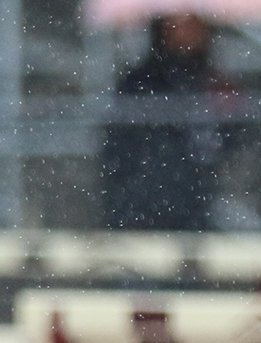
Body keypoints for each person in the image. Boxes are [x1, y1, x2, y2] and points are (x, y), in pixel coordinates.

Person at [98, 12, 231, 233]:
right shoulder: (142, 82)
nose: (189, 34)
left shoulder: (208, 81)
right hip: (145, 200)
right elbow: (124, 144)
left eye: (195, 26)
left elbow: (222, 140)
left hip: (191, 200)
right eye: (180, 26)